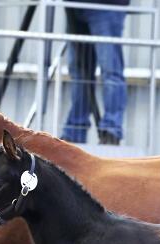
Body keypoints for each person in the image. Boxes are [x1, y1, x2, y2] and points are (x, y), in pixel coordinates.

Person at [61, 0, 129, 145]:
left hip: (105, 6)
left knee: (110, 69)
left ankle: (111, 130)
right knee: (79, 72)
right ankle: (75, 131)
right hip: (75, 7)